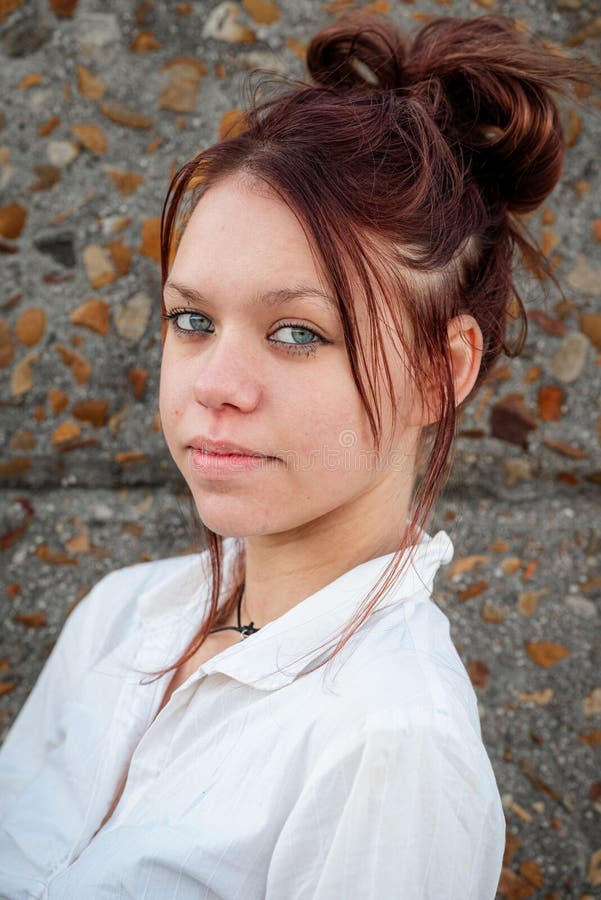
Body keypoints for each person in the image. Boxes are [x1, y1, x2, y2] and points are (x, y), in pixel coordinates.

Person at [0, 11, 587, 899]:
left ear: (441, 370)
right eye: (192, 319)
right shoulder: (118, 618)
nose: (215, 384)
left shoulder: (388, 744)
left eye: (297, 332)